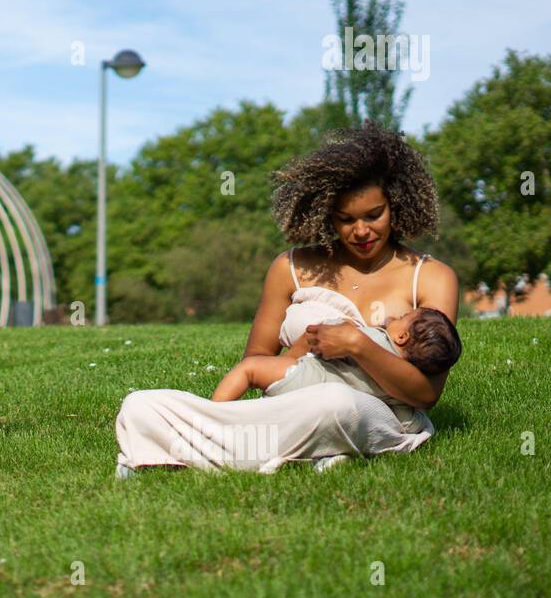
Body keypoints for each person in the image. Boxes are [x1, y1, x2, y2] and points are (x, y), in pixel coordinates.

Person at [114, 122, 461, 474]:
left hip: (367, 415)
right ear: (327, 215)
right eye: (346, 219)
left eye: (374, 215)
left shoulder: (431, 276)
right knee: (139, 404)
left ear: (396, 206)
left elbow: (425, 394)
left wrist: (357, 344)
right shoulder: (290, 267)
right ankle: (297, 451)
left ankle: (205, 451)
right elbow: (257, 360)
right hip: (291, 405)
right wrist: (297, 355)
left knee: (335, 404)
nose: (360, 231)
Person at [211, 305, 462, 402]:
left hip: (307, 379)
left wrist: (337, 327)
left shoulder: (373, 338)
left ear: (402, 337)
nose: (394, 316)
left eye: (403, 317)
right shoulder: (401, 386)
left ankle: (214, 412)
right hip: (335, 405)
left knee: (250, 368)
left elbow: (324, 340)